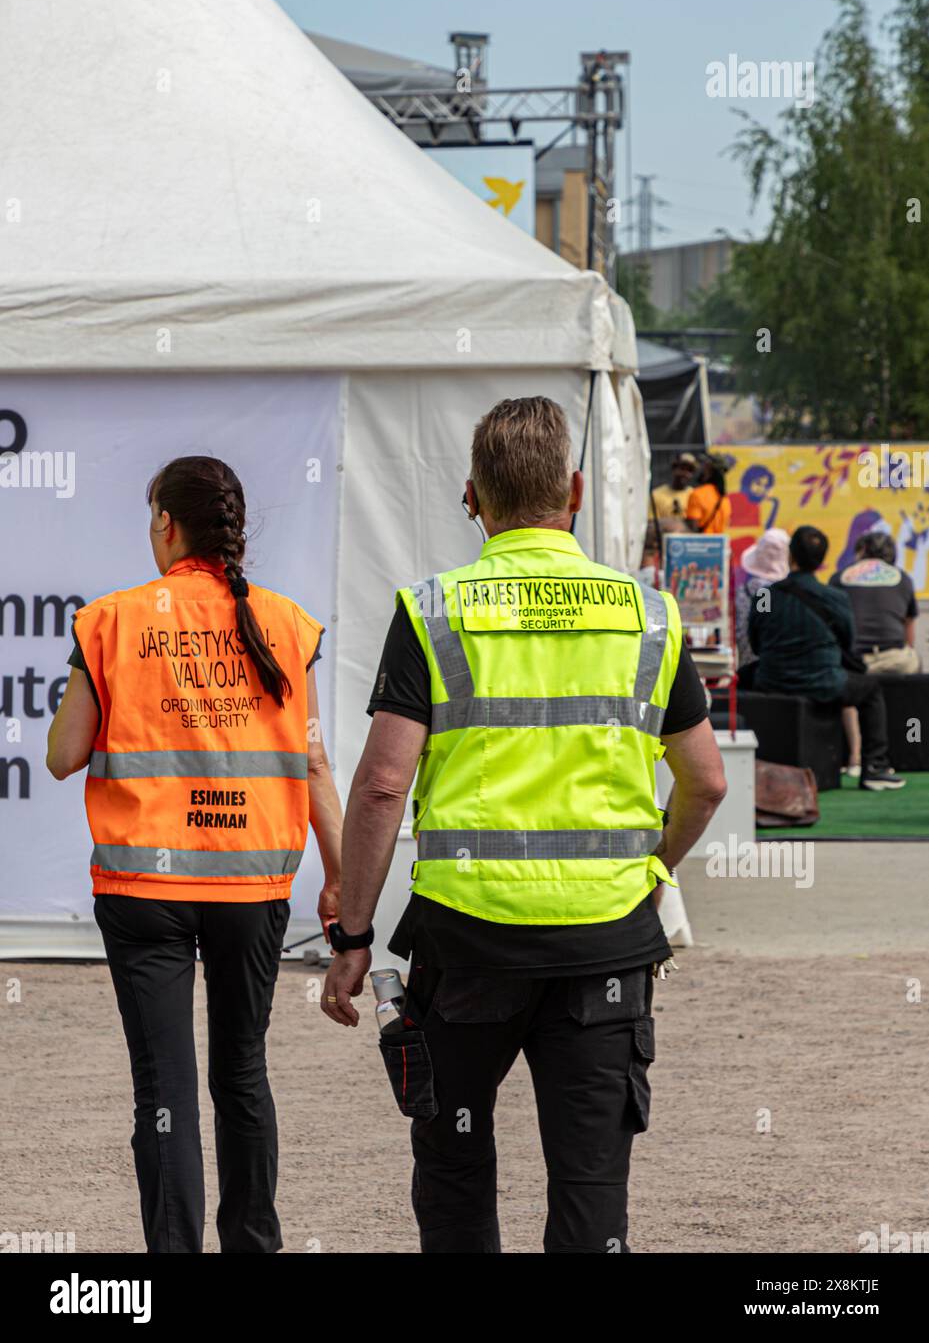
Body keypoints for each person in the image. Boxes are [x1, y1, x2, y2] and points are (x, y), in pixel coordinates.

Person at [321, 396, 727, 1254]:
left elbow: (384, 785)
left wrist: (353, 936)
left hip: (468, 945)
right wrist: (649, 867)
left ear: (472, 496)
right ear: (574, 491)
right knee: (589, 1186)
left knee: (456, 1165)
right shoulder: (648, 615)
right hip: (605, 947)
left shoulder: (436, 610)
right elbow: (707, 782)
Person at [45, 456, 343, 1253]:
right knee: (241, 1074)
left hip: (143, 888)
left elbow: (64, 755)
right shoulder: (286, 623)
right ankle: (253, 1244)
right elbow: (314, 764)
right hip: (252, 885)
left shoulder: (111, 621)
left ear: (167, 526)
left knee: (164, 1088)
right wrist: (343, 880)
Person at [748, 524, 905, 792]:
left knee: (744, 674)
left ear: (791, 556)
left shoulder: (765, 594)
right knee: (871, 690)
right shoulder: (835, 597)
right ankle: (875, 768)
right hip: (825, 682)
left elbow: (755, 640)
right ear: (821, 563)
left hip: (771, 679)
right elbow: (848, 642)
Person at [828, 531, 919, 675]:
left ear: (862, 551)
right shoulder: (903, 579)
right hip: (893, 661)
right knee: (915, 660)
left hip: (850, 661)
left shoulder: (839, 578)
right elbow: (908, 630)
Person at [735, 528, 790, 678]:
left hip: (749, 669)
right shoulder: (765, 591)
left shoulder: (748, 590)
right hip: (764, 670)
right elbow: (763, 624)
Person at [686, 454, 731, 534]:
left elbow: (692, 530)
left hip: (702, 544)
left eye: (704, 466)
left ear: (709, 469)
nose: (701, 469)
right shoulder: (725, 499)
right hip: (720, 545)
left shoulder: (698, 494)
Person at [650, 452, 697, 521]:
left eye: (690, 470)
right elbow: (652, 523)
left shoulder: (695, 495)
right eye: (682, 468)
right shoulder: (656, 494)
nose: (685, 473)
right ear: (674, 469)